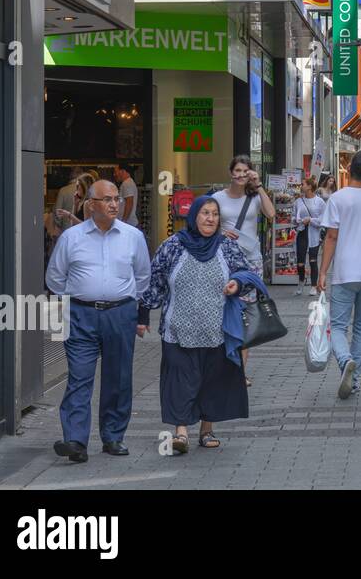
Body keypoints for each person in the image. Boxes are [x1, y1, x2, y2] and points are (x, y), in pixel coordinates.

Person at [139, 196, 259, 453]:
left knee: (213, 382)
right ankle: (180, 432)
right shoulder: (172, 245)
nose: (210, 218)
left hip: (217, 329)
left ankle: (207, 430)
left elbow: (245, 273)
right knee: (180, 381)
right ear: (193, 216)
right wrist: (142, 314)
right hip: (178, 329)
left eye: (215, 214)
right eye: (205, 213)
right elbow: (156, 281)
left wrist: (236, 283)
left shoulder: (226, 246)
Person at [45, 179, 151, 462]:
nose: (115, 204)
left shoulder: (133, 236)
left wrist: (128, 305)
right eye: (107, 199)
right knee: (79, 376)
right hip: (81, 314)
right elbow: (55, 277)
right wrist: (80, 298)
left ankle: (113, 437)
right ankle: (76, 440)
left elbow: (143, 277)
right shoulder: (72, 237)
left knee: (118, 377)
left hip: (120, 313)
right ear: (91, 205)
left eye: (116, 198)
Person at [317, 150, 361, 399]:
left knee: (337, 326)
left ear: (349, 169)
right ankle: (354, 379)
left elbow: (332, 237)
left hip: (346, 270)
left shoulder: (338, 198)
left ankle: (345, 360)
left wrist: (322, 272)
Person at [214, 156, 275, 383]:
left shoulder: (254, 197)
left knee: (246, 314)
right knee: (224, 310)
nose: (240, 175)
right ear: (231, 173)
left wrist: (258, 186)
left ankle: (239, 371)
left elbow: (271, 214)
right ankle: (223, 365)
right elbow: (206, 222)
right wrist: (220, 232)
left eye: (245, 171)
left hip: (251, 261)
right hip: (225, 260)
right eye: (237, 170)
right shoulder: (218, 198)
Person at [293, 177, 325, 298]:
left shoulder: (320, 202)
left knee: (313, 260)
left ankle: (313, 286)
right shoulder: (298, 201)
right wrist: (296, 221)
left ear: (310, 187)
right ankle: (301, 280)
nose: (301, 186)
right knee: (300, 262)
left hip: (314, 233)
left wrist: (310, 220)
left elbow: (323, 219)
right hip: (301, 232)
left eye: (303, 184)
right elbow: (293, 216)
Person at [115, 164, 139, 229]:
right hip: (128, 224)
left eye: (116, 172)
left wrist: (124, 221)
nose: (114, 174)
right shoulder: (127, 183)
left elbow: (129, 202)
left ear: (122, 171)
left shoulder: (127, 183)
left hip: (129, 224)